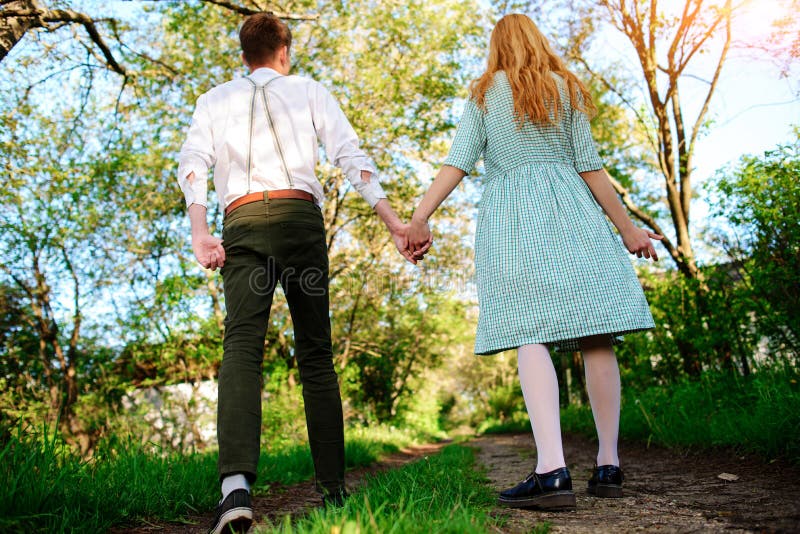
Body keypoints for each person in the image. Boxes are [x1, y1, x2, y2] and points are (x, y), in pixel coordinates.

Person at [407, 14, 661, 511]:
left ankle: (552, 470)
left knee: (529, 330)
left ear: (497, 46)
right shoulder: (566, 88)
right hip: (574, 210)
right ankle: (608, 465)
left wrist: (419, 218)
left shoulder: (484, 92)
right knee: (597, 332)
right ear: (538, 41)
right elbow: (590, 164)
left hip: (513, 217)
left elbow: (457, 161)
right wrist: (627, 229)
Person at [177, 13, 417, 534]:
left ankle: (235, 490)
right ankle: (333, 490)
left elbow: (193, 163)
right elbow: (352, 158)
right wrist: (395, 222)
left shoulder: (214, 100)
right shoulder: (310, 90)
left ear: (244, 57)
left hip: (241, 222)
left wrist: (200, 231)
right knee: (315, 351)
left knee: (241, 347)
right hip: (299, 220)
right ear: (283, 51)